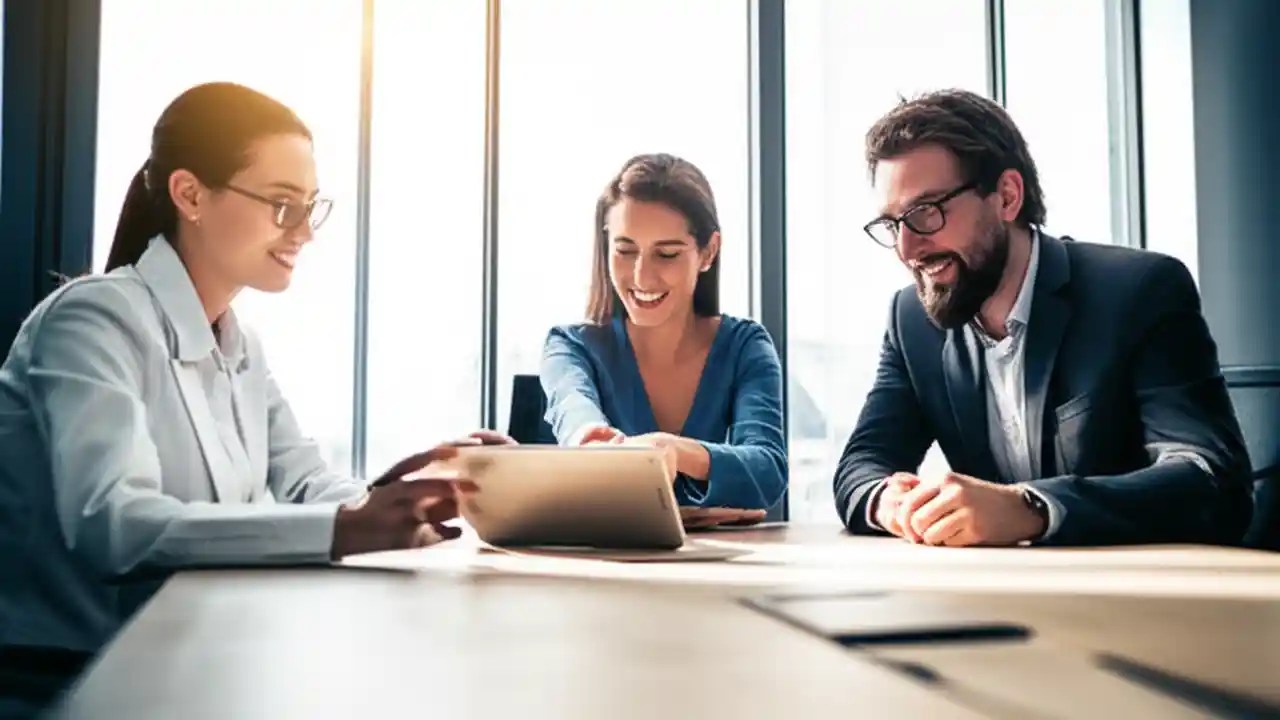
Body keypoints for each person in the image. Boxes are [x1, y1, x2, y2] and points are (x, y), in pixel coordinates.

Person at [0, 82, 477, 711]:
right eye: (283, 205)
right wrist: (349, 527)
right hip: (72, 682)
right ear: (190, 195)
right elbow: (113, 524)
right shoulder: (92, 320)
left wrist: (432, 492)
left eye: (311, 206)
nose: (305, 232)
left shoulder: (237, 341)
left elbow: (307, 483)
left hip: (186, 662)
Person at [833, 89, 1252, 547]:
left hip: (1148, 596)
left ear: (1007, 196)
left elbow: (1207, 477)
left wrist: (1031, 508)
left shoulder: (1139, 290)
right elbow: (861, 465)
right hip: (1007, 595)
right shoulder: (911, 320)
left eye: (925, 213)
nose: (906, 250)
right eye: (893, 224)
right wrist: (888, 501)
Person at [540, 153, 787, 515]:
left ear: (708, 252)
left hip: (717, 567)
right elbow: (576, 416)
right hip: (598, 564)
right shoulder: (569, 346)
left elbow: (767, 469)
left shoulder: (745, 346)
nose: (642, 277)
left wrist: (670, 450)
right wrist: (593, 445)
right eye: (625, 250)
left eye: (667, 254)